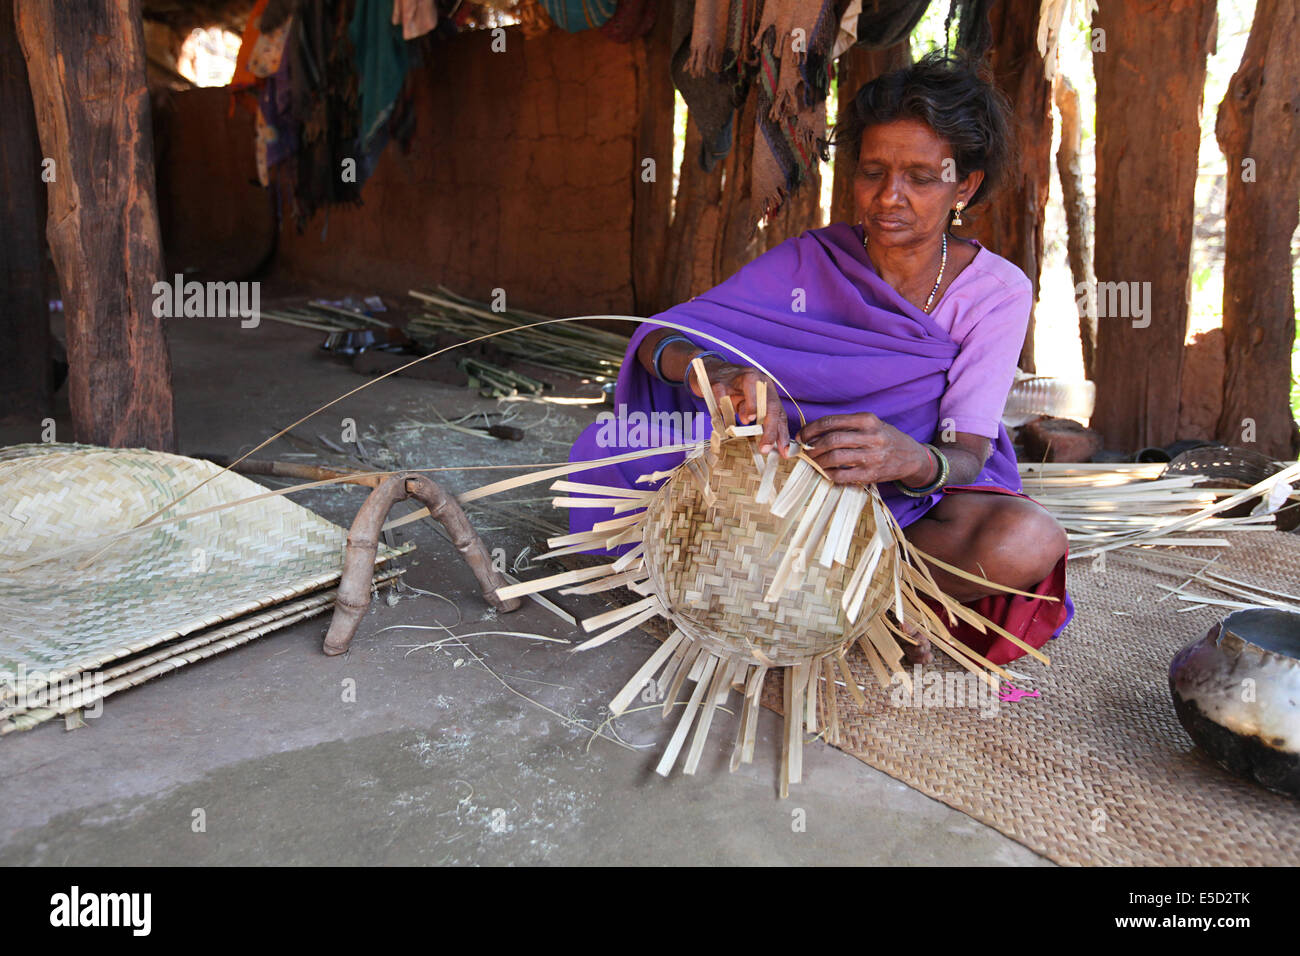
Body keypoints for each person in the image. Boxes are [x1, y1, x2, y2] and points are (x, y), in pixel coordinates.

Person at [567, 52, 1073, 665]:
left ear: (963, 185)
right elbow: (657, 340)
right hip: (773, 491)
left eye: (920, 177)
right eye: (873, 172)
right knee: (616, 446)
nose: (890, 197)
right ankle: (795, 595)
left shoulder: (995, 291)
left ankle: (849, 601)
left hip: (901, 511)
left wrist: (907, 456)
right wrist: (716, 374)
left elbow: (967, 456)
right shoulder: (815, 261)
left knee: (1028, 538)